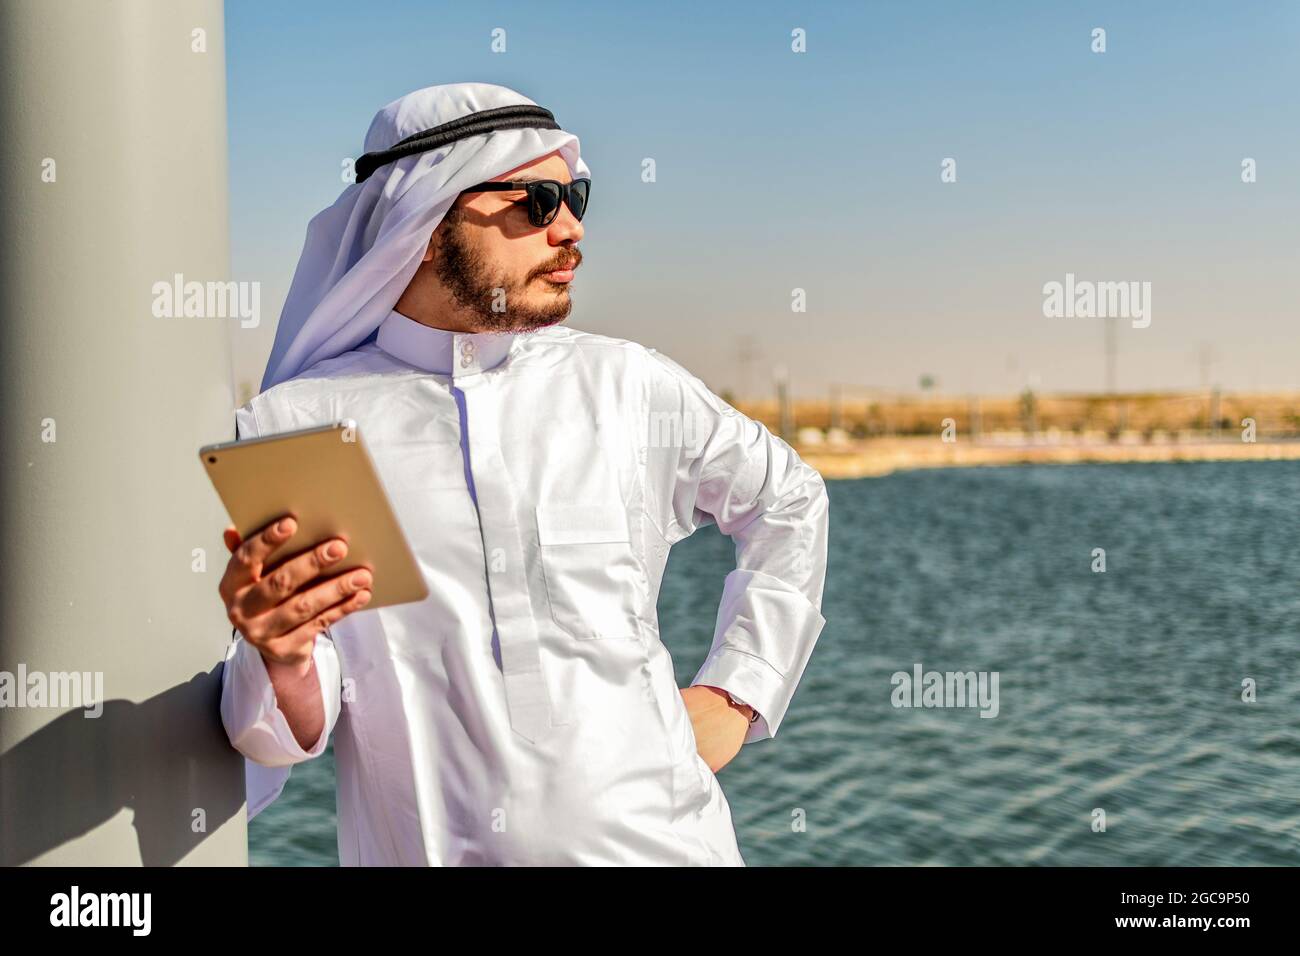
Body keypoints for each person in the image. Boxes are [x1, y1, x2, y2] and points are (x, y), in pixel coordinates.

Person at [218, 82, 830, 865]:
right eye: (538, 201)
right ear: (429, 222)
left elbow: (788, 499)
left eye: (576, 196)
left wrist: (739, 689)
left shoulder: (628, 385)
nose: (571, 228)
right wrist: (280, 654)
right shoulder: (300, 424)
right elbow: (283, 735)